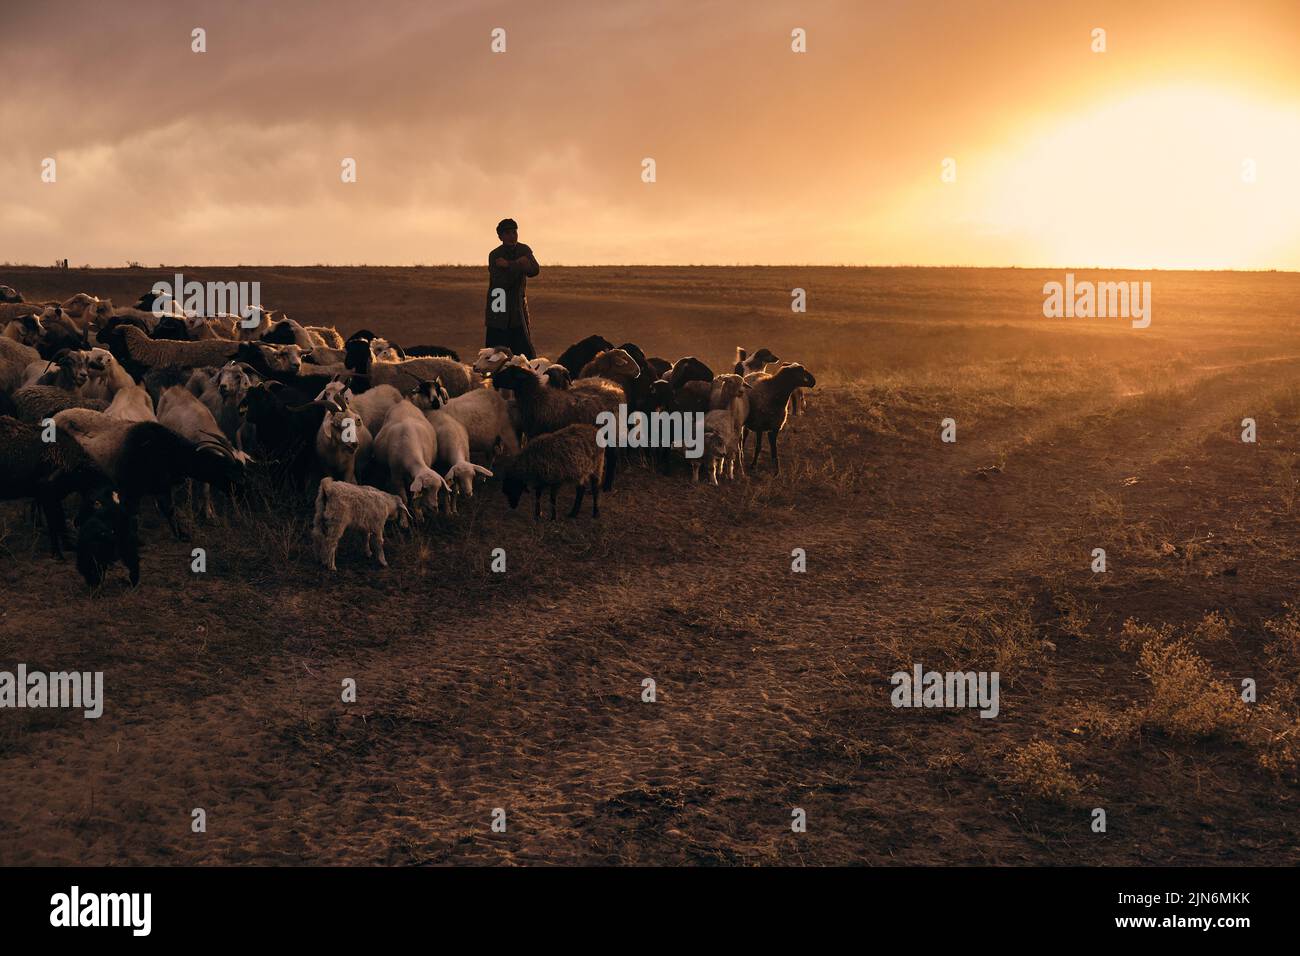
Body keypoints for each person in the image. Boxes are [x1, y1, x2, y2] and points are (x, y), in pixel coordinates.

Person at [485, 218, 540, 358]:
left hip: (517, 307)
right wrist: (519, 264)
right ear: (500, 237)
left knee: (524, 354)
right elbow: (501, 282)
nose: (512, 236)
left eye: (514, 232)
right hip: (498, 304)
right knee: (495, 354)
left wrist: (509, 265)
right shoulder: (495, 255)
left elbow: (534, 270)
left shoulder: (524, 249)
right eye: (508, 233)